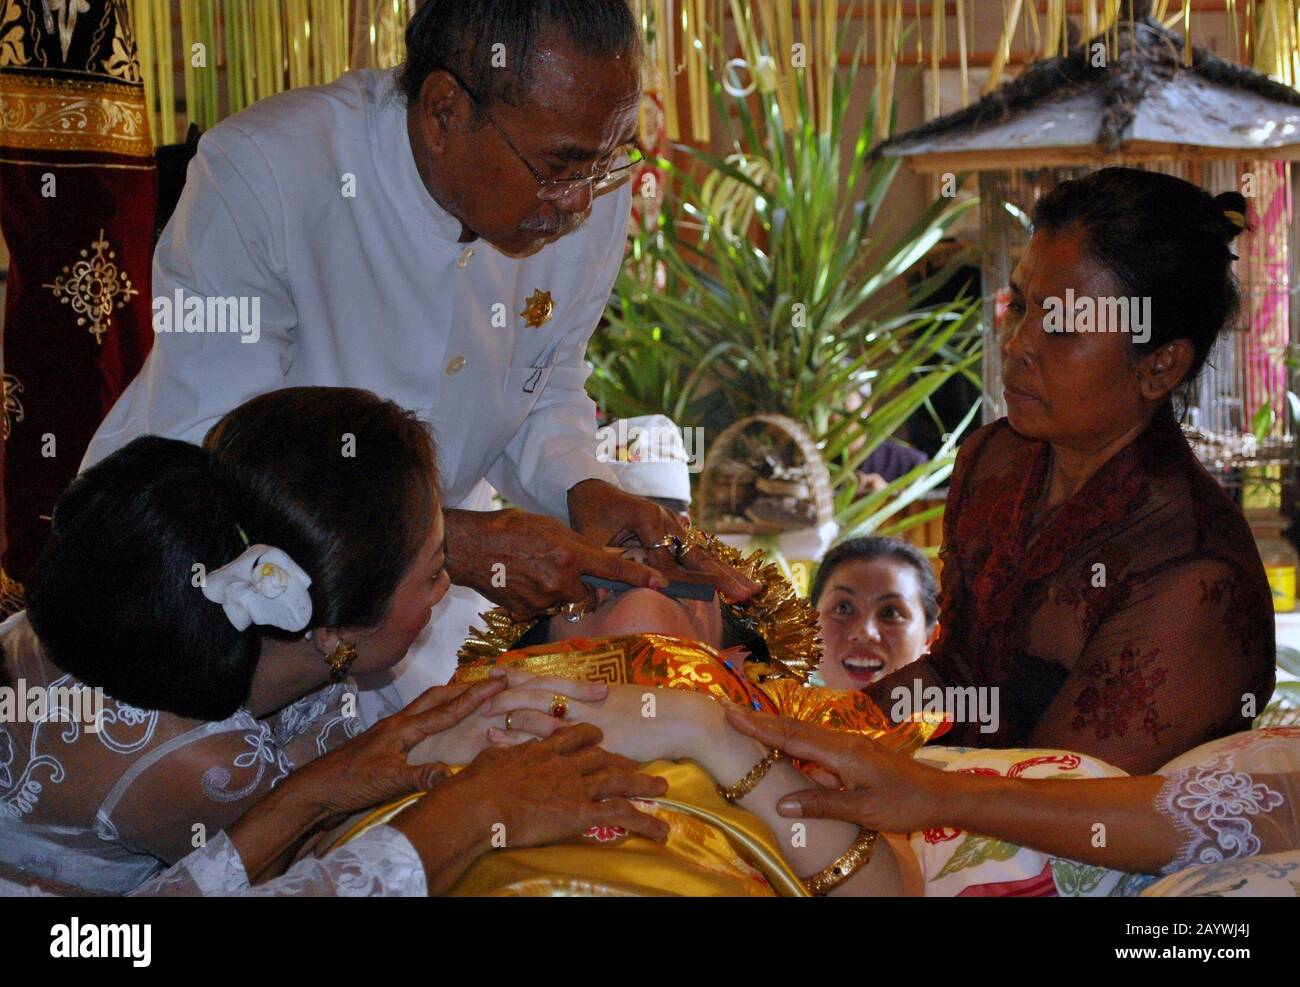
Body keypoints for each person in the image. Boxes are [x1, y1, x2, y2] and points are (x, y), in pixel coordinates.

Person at [79, 0, 755, 711]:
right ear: (442, 112)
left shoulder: (586, 189)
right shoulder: (269, 172)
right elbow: (219, 461)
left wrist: (583, 491)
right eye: (559, 167)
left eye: (606, 161)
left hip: (413, 632)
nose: (581, 201)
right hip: (190, 610)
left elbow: (546, 380)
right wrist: (447, 543)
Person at [0, 387, 661, 892]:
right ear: (333, 632)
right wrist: (473, 810)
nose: (447, 589)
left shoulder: (197, 593)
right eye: (435, 571)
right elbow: (314, 868)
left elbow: (342, 760)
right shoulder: (202, 764)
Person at [859, 167, 1276, 773]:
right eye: (1021, 307)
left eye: (1062, 324)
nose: (1019, 344)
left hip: (1066, 855)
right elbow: (953, 677)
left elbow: (1057, 803)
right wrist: (815, 729)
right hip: (954, 813)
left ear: (1160, 366)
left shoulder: (1191, 574)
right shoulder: (996, 460)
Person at [810, 536, 939, 690]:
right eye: (843, 608)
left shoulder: (965, 712)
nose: (865, 633)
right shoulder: (781, 709)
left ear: (930, 638)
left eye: (890, 613)